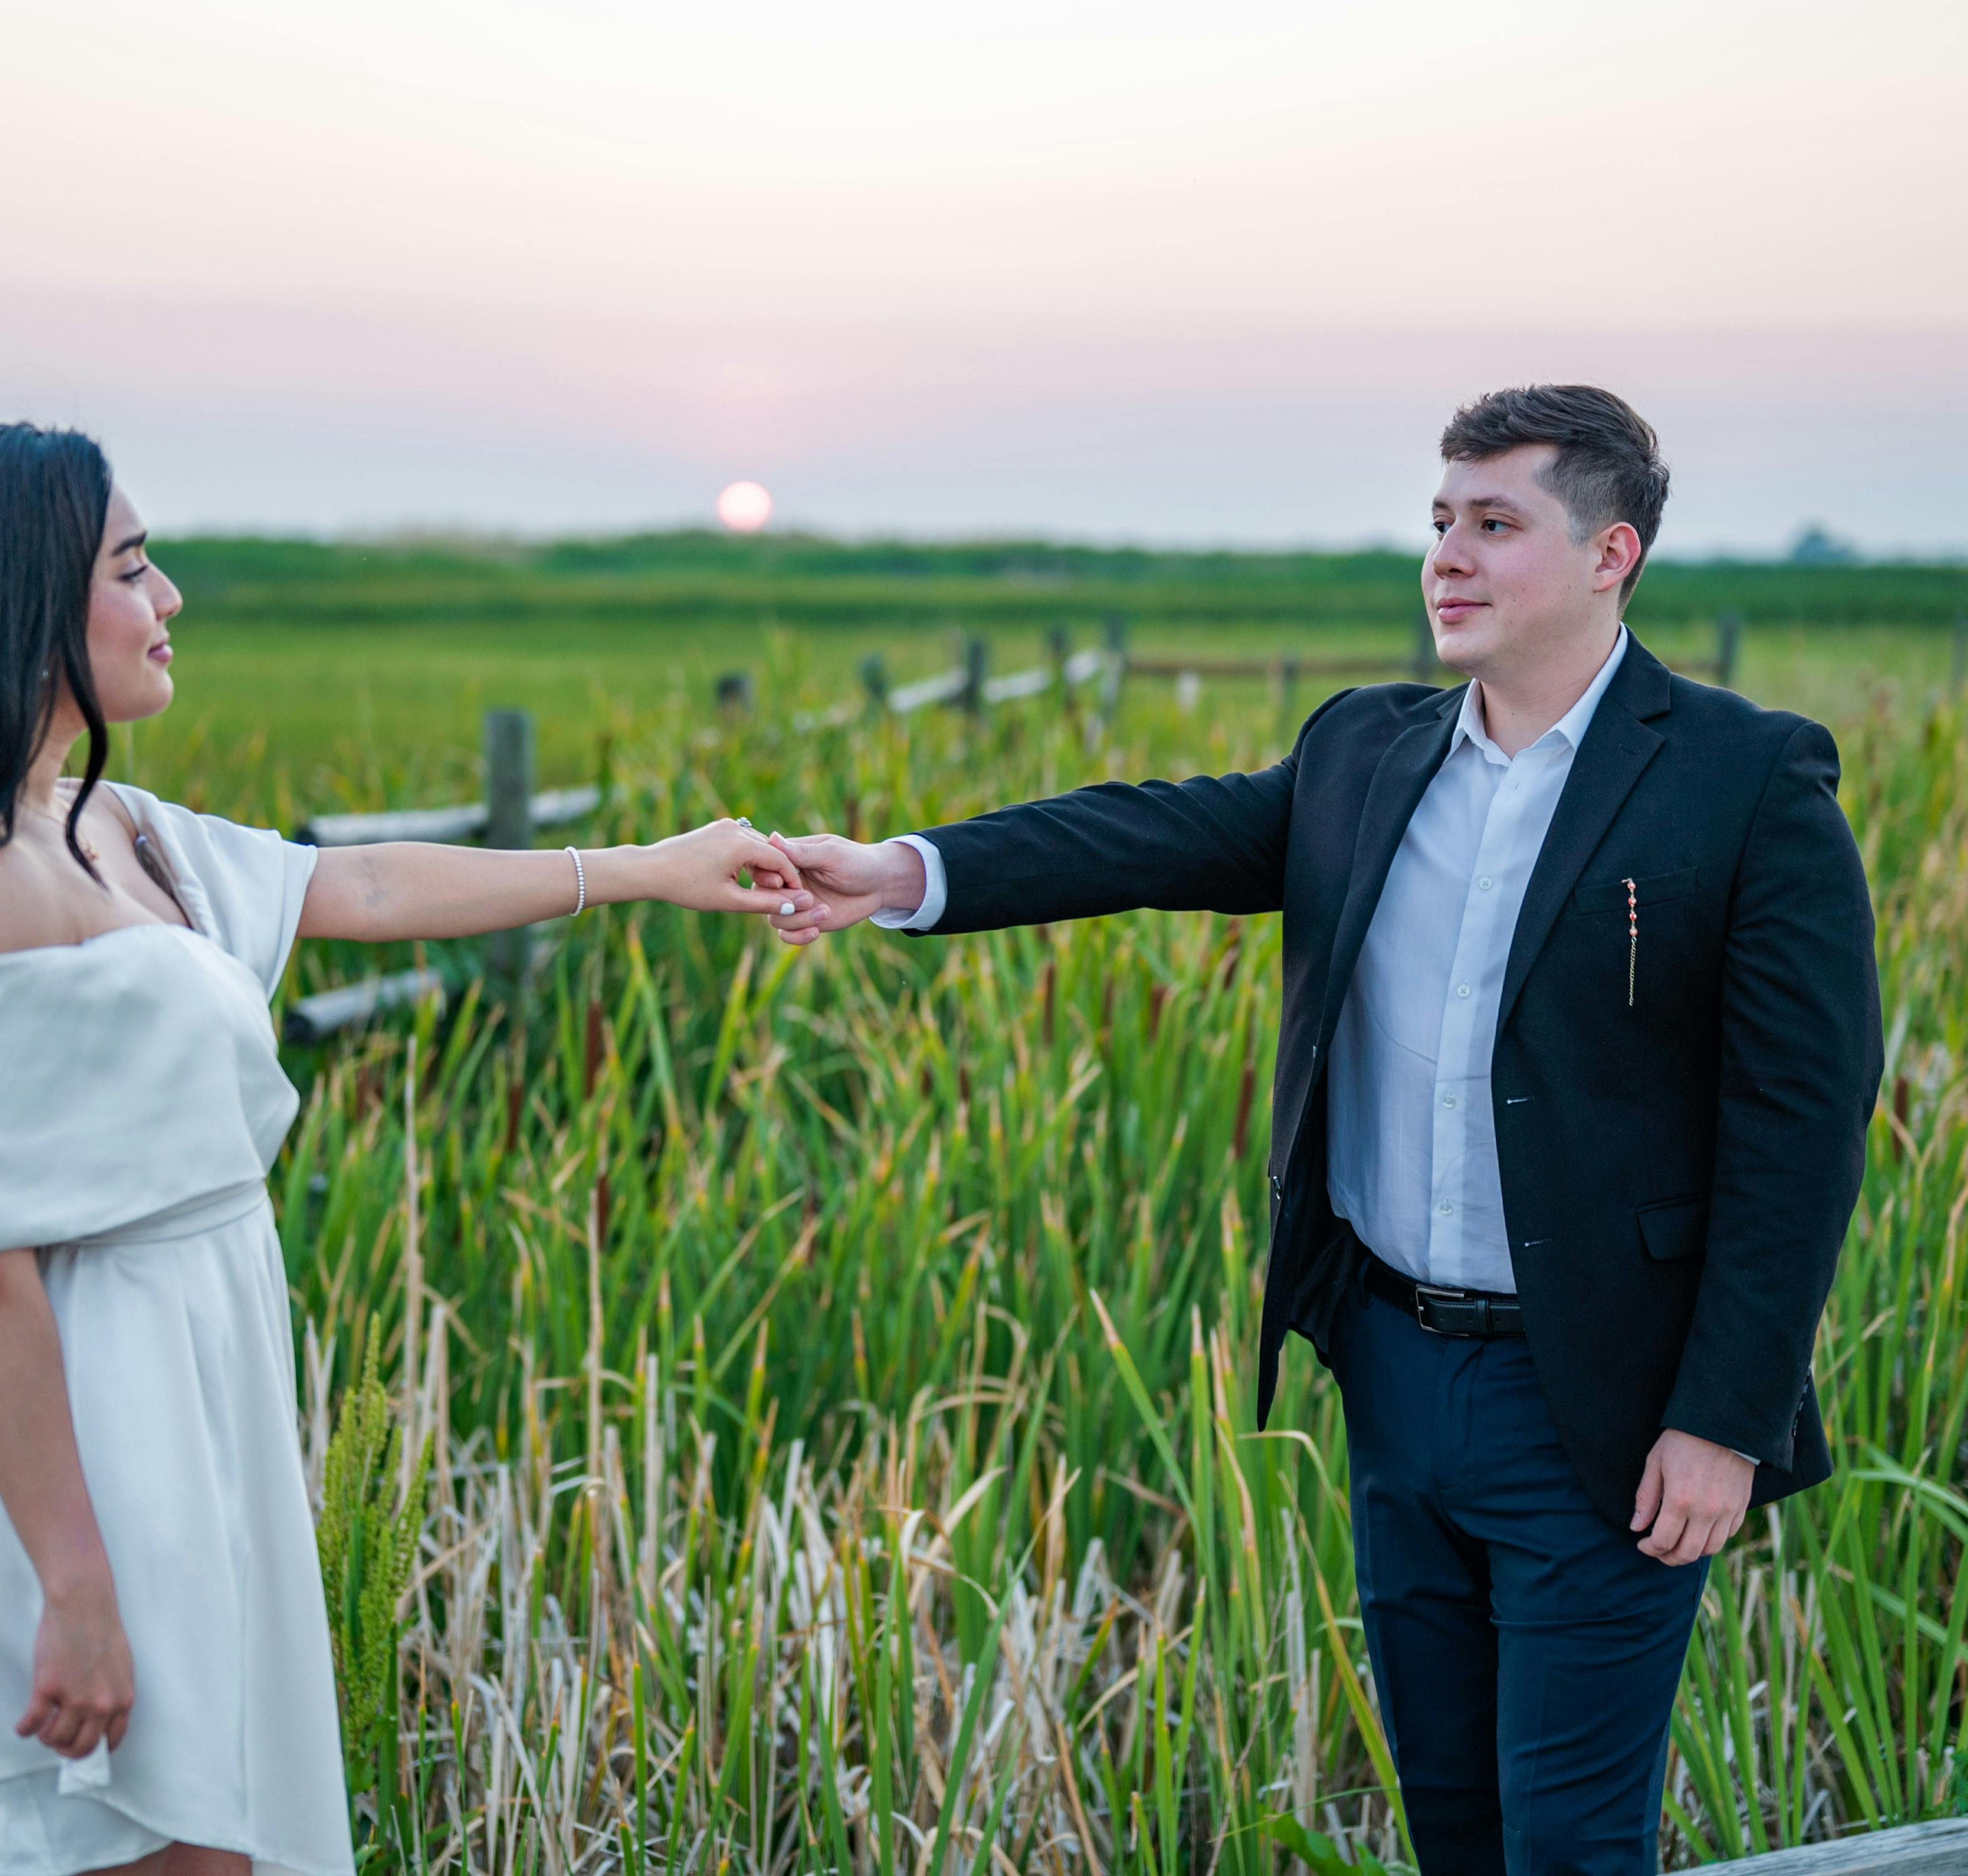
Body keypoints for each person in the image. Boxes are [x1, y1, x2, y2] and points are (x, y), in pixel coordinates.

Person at [761, 386, 1882, 1874]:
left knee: (1567, 1843)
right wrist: (902, 870)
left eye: (1495, 524)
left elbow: (1801, 1121)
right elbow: (1144, 829)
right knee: (1451, 1825)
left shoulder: (1743, 778)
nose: (1447, 558)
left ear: (1610, 552)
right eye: (1437, 523)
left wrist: (1724, 1415)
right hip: (1391, 1370)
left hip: (1604, 1402)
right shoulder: (1365, 751)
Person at [0, 423, 804, 1876]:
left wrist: (643, 868)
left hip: (182, 1422)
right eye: (130, 566)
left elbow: (353, 880)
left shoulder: (104, 828)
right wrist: (73, 1579)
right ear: (17, 604)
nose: (169, 593)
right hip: (58, 1464)